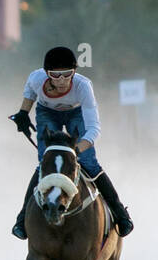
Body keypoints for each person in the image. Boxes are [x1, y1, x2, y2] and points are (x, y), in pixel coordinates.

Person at [9, 45, 134, 239]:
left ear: (74, 72)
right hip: (47, 112)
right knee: (45, 162)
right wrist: (23, 113)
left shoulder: (83, 86)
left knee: (89, 163)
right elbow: (30, 92)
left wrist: (75, 150)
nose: (61, 80)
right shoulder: (36, 78)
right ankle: (22, 217)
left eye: (67, 74)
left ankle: (120, 213)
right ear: (46, 74)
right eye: (55, 75)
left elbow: (94, 129)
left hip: (77, 112)